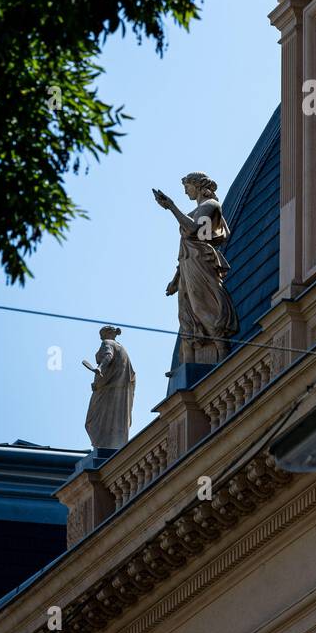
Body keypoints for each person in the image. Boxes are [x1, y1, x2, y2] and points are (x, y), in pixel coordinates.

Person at [153, 172, 239, 365]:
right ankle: (190, 362)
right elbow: (187, 240)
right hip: (189, 262)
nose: (186, 192)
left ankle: (222, 351)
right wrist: (176, 278)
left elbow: (194, 230)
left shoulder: (211, 205)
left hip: (200, 261)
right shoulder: (202, 208)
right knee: (186, 313)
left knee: (203, 306)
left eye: (187, 187)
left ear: (198, 186)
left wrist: (171, 207)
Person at [84, 326, 135, 450]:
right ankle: (114, 447)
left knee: (92, 421)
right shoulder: (123, 349)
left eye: (101, 335)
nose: (100, 338)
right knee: (115, 420)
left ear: (106, 334)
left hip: (108, 390)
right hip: (120, 391)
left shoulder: (107, 343)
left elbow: (108, 355)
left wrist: (100, 367)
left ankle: (103, 447)